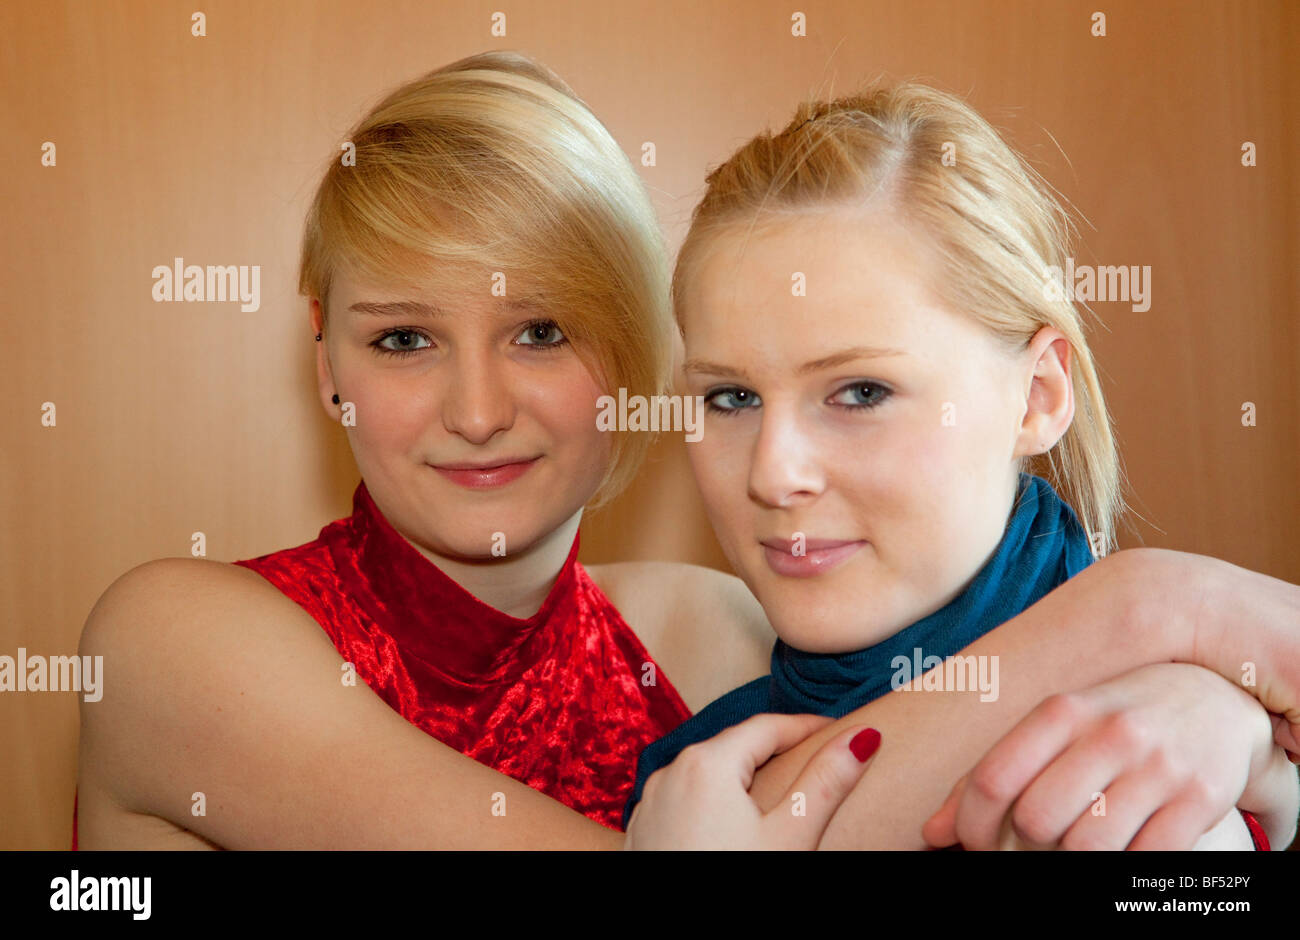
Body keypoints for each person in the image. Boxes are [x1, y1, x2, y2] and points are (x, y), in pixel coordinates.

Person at [74, 53, 1300, 850]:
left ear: (635, 363)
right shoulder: (176, 639)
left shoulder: (721, 626)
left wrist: (1230, 737)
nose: (479, 406)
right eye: (401, 337)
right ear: (324, 359)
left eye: (541, 331)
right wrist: (1158, 611)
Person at [623, 80, 1299, 849]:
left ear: (1037, 397)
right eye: (733, 398)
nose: (774, 476)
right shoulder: (702, 774)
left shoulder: (1142, 790)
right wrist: (1149, 612)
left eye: (861, 391)